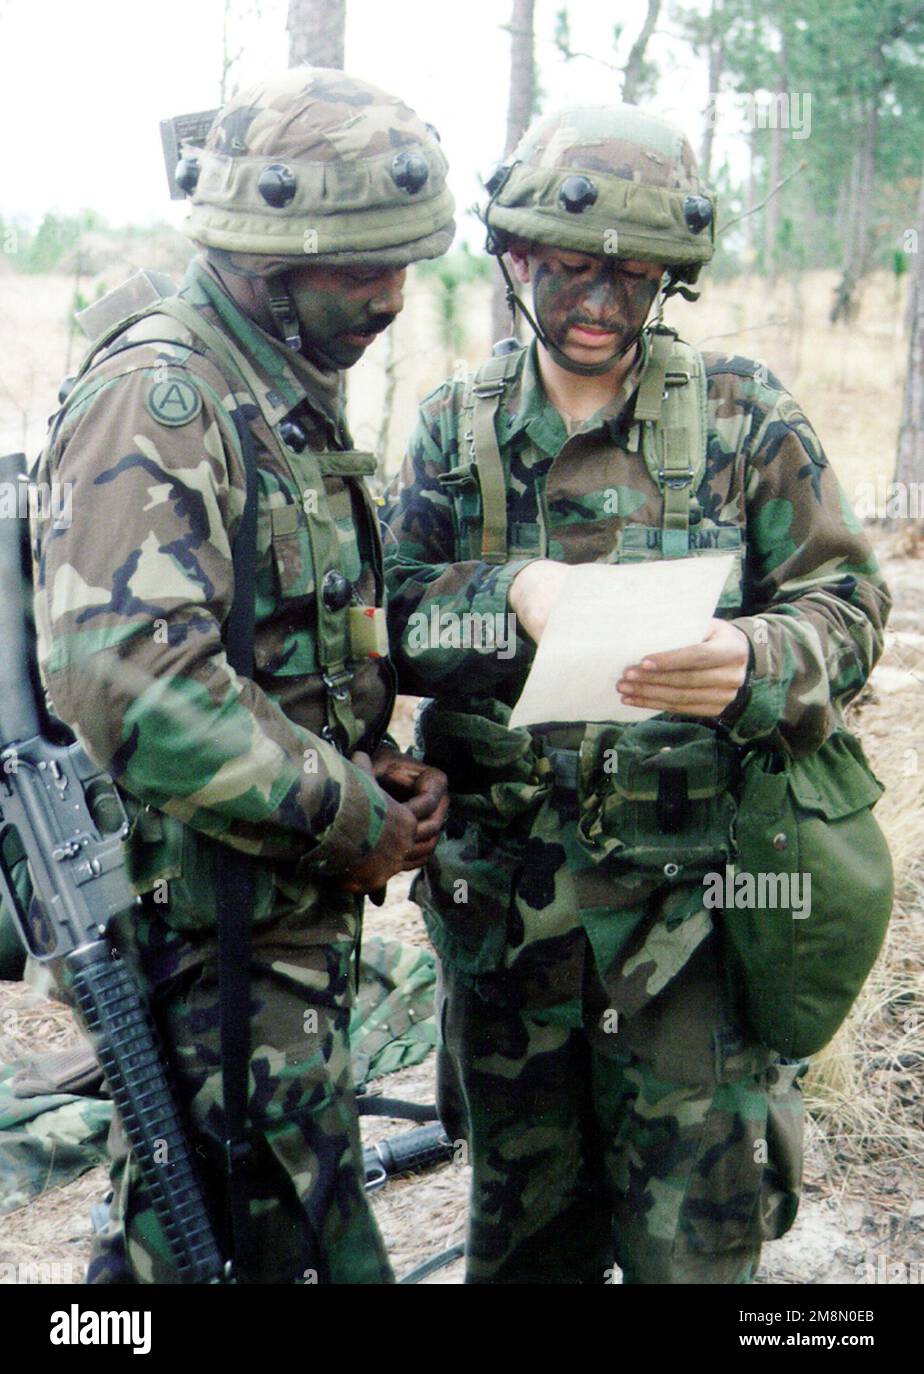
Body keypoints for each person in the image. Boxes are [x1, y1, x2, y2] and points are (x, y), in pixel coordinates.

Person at [381, 103, 892, 1284]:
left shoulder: (744, 417)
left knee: (697, 1258)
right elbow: (390, 625)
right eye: (571, 266)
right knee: (524, 1249)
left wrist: (756, 663)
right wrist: (512, 594)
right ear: (515, 257)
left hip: (692, 931)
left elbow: (850, 610)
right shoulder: (457, 432)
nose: (602, 297)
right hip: (506, 937)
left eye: (635, 270)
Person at [29, 67, 454, 1285]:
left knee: (210, 1240)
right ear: (272, 257)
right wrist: (351, 812)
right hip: (203, 933)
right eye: (360, 267)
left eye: (403, 261)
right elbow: (136, 684)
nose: (390, 294)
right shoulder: (163, 395)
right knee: (234, 1239)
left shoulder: (271, 381)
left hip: (270, 919)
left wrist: (366, 759)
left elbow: (278, 649)